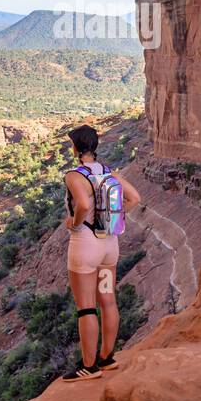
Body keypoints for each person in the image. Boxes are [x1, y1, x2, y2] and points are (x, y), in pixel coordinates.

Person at [62, 124, 141, 381]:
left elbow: (83, 204)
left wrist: (74, 223)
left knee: (86, 308)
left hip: (85, 245)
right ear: (94, 146)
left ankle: (89, 366)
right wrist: (114, 217)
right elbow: (135, 199)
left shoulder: (75, 175)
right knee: (107, 300)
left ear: (76, 147)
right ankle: (106, 358)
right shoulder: (109, 172)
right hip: (109, 246)